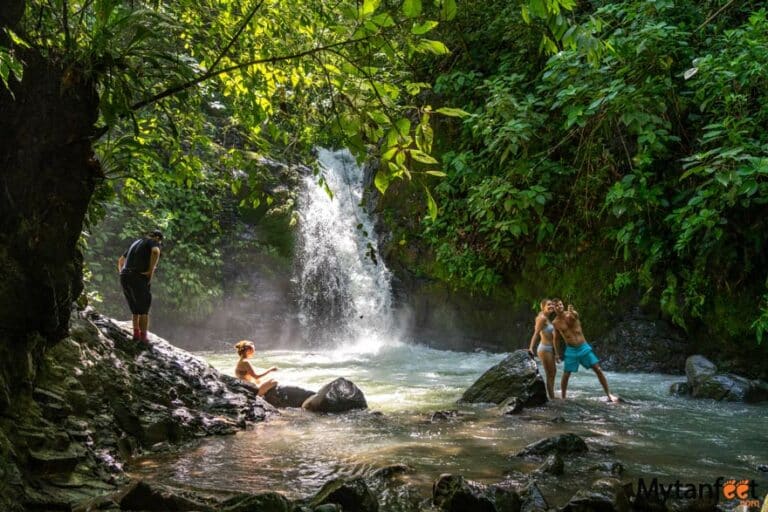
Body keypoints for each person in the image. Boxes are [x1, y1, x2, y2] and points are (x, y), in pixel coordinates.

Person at [552, 298, 615, 402]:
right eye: (556, 306)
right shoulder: (555, 323)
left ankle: (609, 394)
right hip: (571, 350)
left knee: (598, 369)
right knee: (566, 374)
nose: (559, 307)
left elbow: (575, 315)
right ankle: (563, 397)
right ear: (554, 308)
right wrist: (557, 354)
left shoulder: (572, 314)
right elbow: (556, 338)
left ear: (563, 304)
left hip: (583, 347)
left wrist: (572, 311)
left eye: (560, 304)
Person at [117, 230, 163, 343]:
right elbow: (156, 252)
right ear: (157, 238)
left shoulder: (136, 242)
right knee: (144, 310)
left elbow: (121, 260)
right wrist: (150, 271)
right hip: (138, 276)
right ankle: (143, 338)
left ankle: (136, 334)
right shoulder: (153, 241)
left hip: (125, 276)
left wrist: (122, 273)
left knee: (135, 308)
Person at [528, 298, 560, 399]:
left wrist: (556, 353)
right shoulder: (542, 318)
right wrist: (531, 348)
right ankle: (551, 397)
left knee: (553, 372)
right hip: (544, 348)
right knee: (550, 373)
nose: (551, 306)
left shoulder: (546, 317)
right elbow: (536, 334)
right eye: (548, 305)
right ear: (543, 307)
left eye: (552, 305)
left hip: (549, 348)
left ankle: (551, 395)